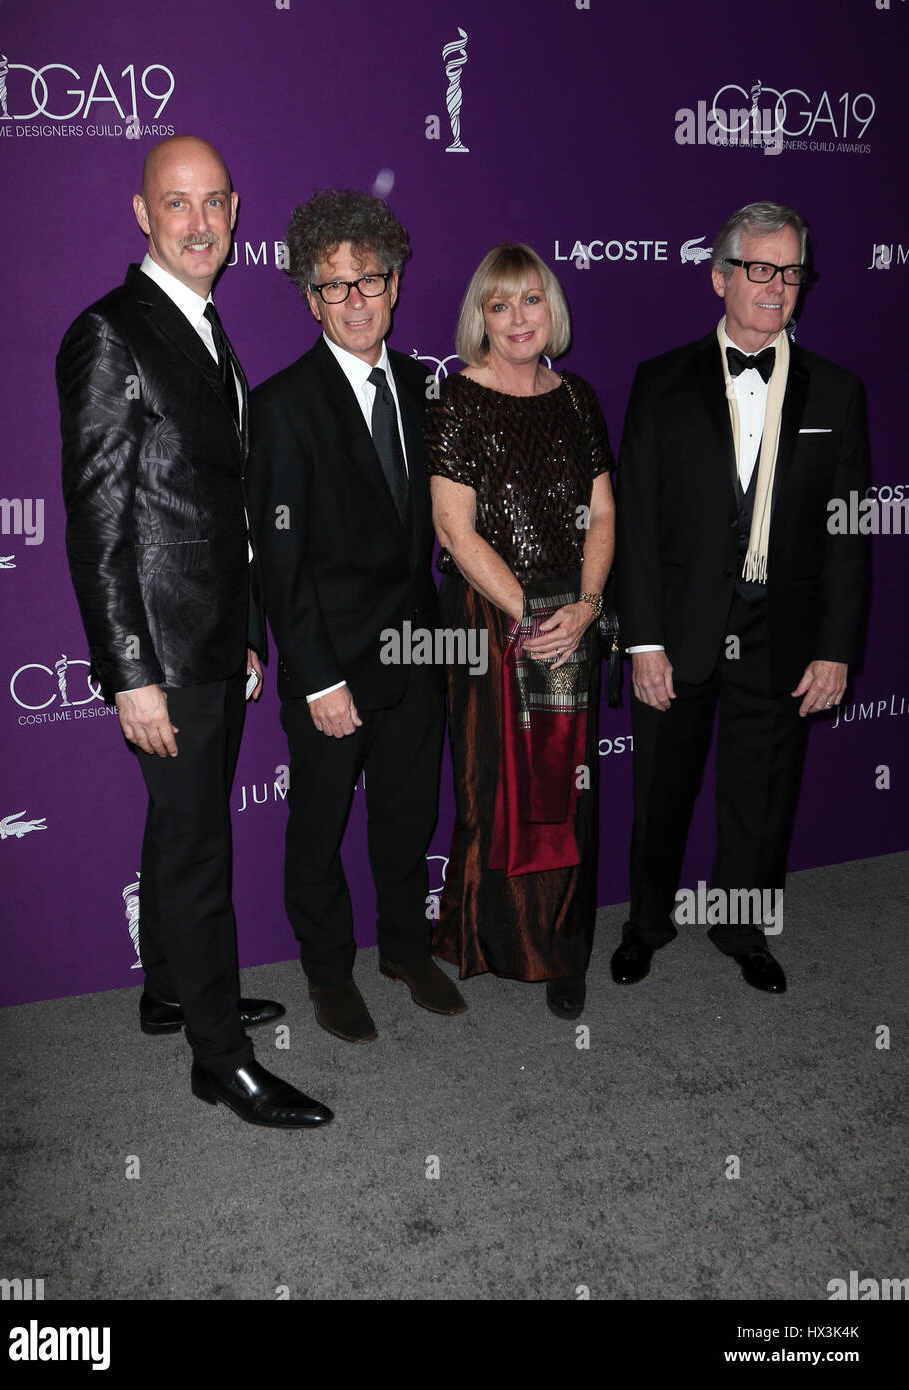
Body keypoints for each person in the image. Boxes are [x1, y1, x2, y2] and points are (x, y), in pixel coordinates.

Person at [57, 135, 331, 1128]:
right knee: (197, 849)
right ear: (143, 214)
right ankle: (219, 1056)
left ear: (235, 209)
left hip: (212, 642)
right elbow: (98, 523)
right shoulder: (110, 334)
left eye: (215, 201)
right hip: (161, 656)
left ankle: (170, 989)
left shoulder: (206, 325)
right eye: (178, 203)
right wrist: (129, 671)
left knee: (178, 827)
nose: (200, 220)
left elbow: (216, 511)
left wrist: (246, 633)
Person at [613, 201, 870, 993]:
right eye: (759, 269)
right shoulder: (659, 383)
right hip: (681, 628)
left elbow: (848, 533)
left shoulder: (837, 393)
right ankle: (647, 923)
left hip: (780, 630)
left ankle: (742, 927)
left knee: (762, 798)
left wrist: (835, 646)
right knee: (662, 790)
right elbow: (639, 522)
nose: (776, 286)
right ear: (719, 276)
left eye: (790, 271)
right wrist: (643, 639)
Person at [246, 189, 466, 1043]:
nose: (356, 301)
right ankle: (329, 972)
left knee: (409, 815)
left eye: (369, 281)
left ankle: (405, 948)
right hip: (333, 665)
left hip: (418, 652)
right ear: (310, 297)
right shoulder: (281, 406)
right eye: (335, 287)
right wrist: (320, 676)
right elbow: (279, 563)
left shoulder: (423, 385)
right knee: (318, 832)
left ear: (396, 284)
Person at [428, 242, 615, 1019]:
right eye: (499, 305)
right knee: (493, 785)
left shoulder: (576, 399)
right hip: (491, 618)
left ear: (552, 309)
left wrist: (588, 604)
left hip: (573, 616)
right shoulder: (459, 400)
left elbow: (603, 513)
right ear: (481, 316)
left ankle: (564, 949)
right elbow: (453, 528)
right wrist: (527, 612)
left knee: (568, 792)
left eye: (530, 301)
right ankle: (491, 937)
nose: (516, 319)